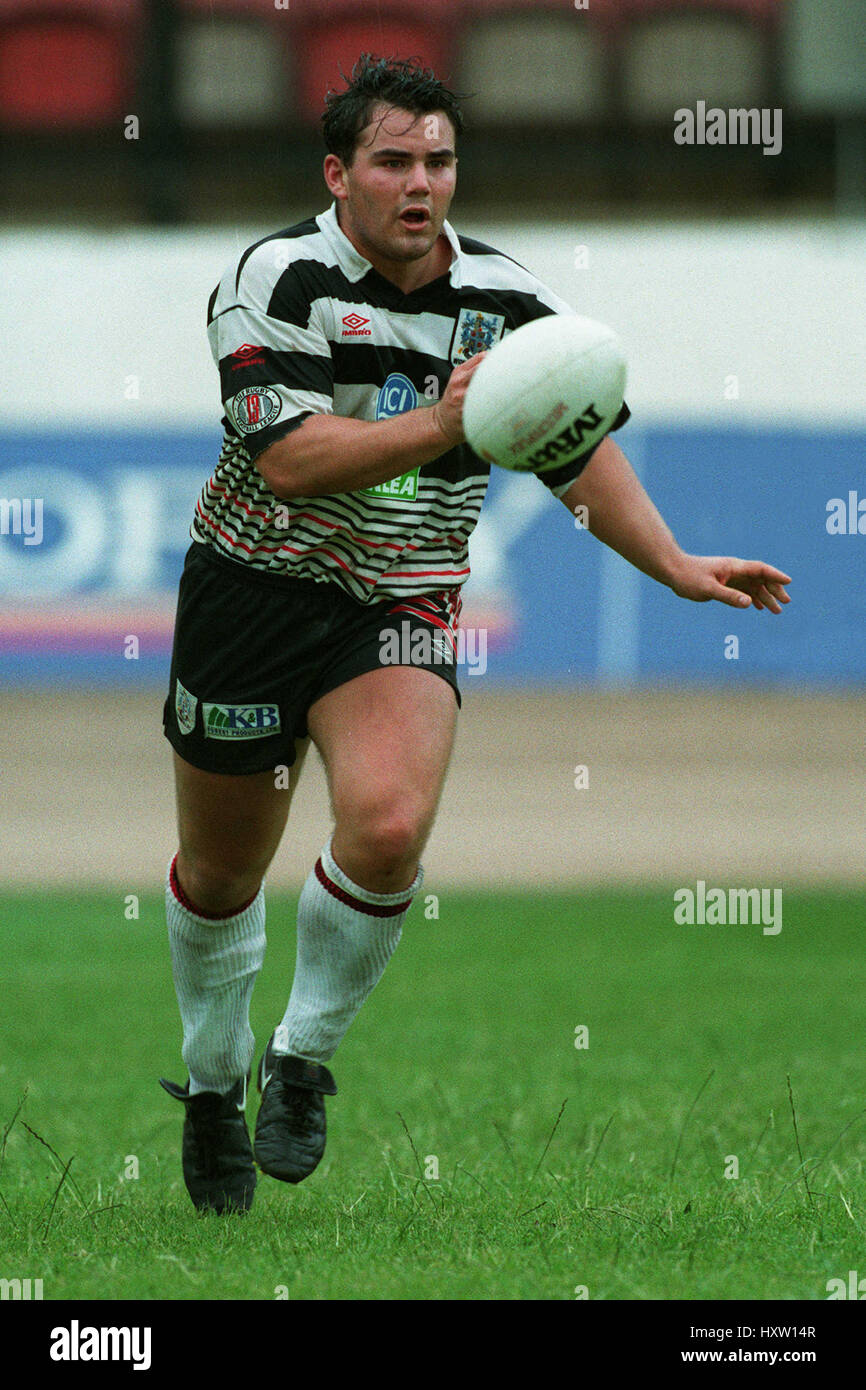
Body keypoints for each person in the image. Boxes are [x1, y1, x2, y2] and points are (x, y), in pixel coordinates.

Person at [159, 55, 791, 1214]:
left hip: (400, 597)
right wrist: (451, 419)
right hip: (250, 592)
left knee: (389, 829)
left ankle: (298, 1059)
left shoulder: (508, 302)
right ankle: (210, 1086)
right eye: (393, 161)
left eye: (438, 161)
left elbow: (571, 449)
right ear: (337, 174)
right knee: (220, 869)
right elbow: (289, 463)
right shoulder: (276, 276)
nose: (420, 183)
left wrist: (675, 563)